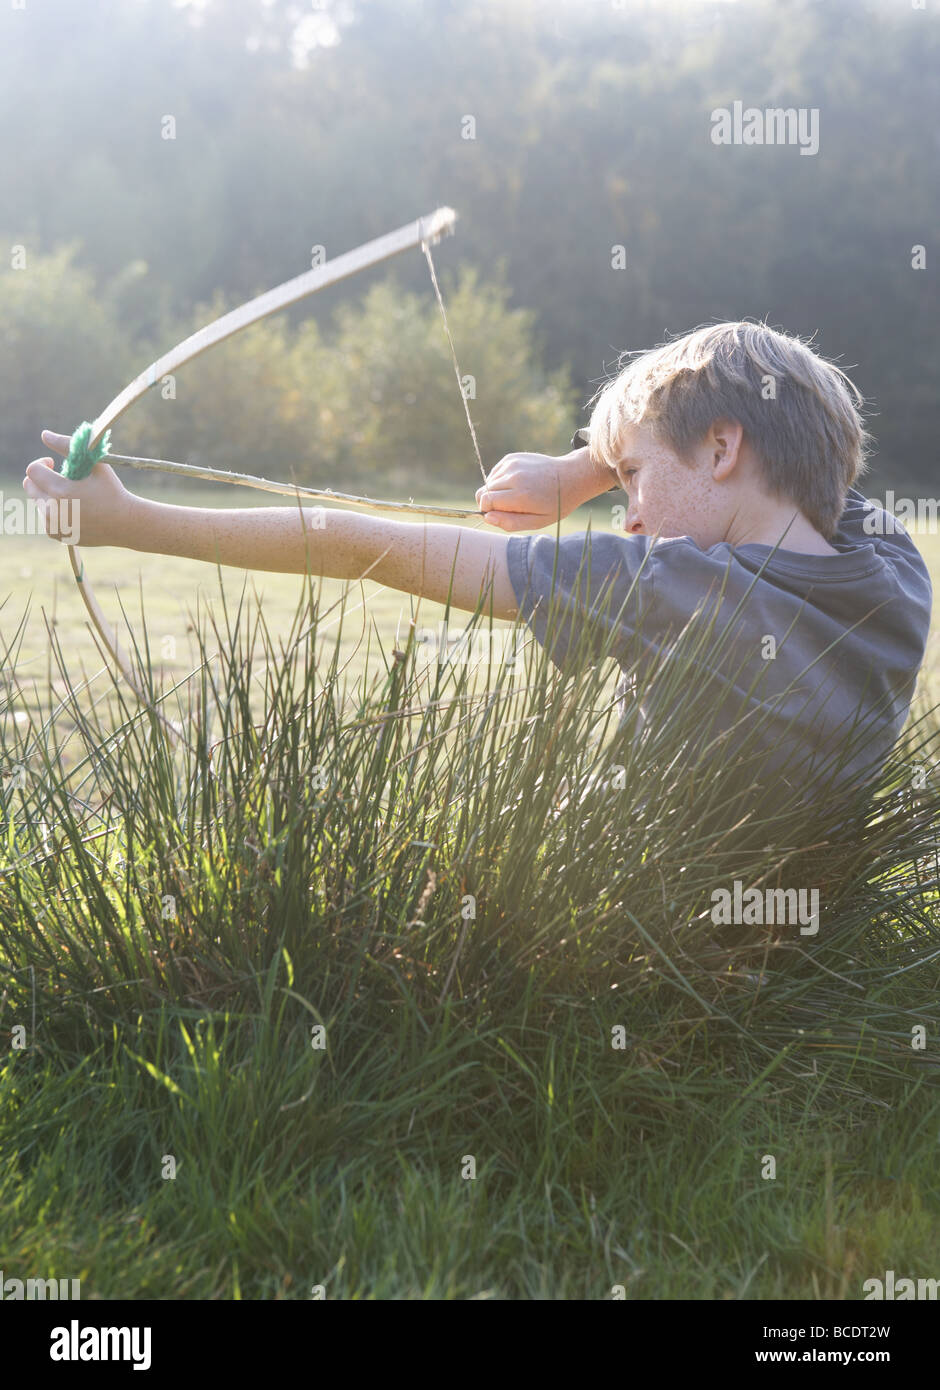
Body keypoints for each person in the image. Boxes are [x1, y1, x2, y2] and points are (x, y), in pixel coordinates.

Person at [23, 320, 932, 806]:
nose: (630, 511)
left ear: (723, 448)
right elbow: (804, 441)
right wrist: (587, 469)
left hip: (635, 928)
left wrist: (128, 521)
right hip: (800, 927)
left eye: (632, 479)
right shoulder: (892, 570)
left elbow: (354, 545)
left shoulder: (662, 589)